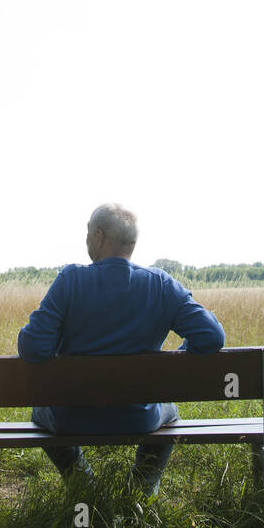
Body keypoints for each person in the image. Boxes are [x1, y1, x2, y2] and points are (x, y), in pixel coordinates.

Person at [17, 202, 225, 497]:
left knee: (40, 412)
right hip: (138, 416)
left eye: (88, 233)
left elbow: (33, 348)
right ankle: (141, 489)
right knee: (171, 413)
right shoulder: (160, 285)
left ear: (99, 236)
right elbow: (211, 337)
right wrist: (178, 356)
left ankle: (83, 484)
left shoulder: (70, 280)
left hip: (71, 417)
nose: (86, 239)